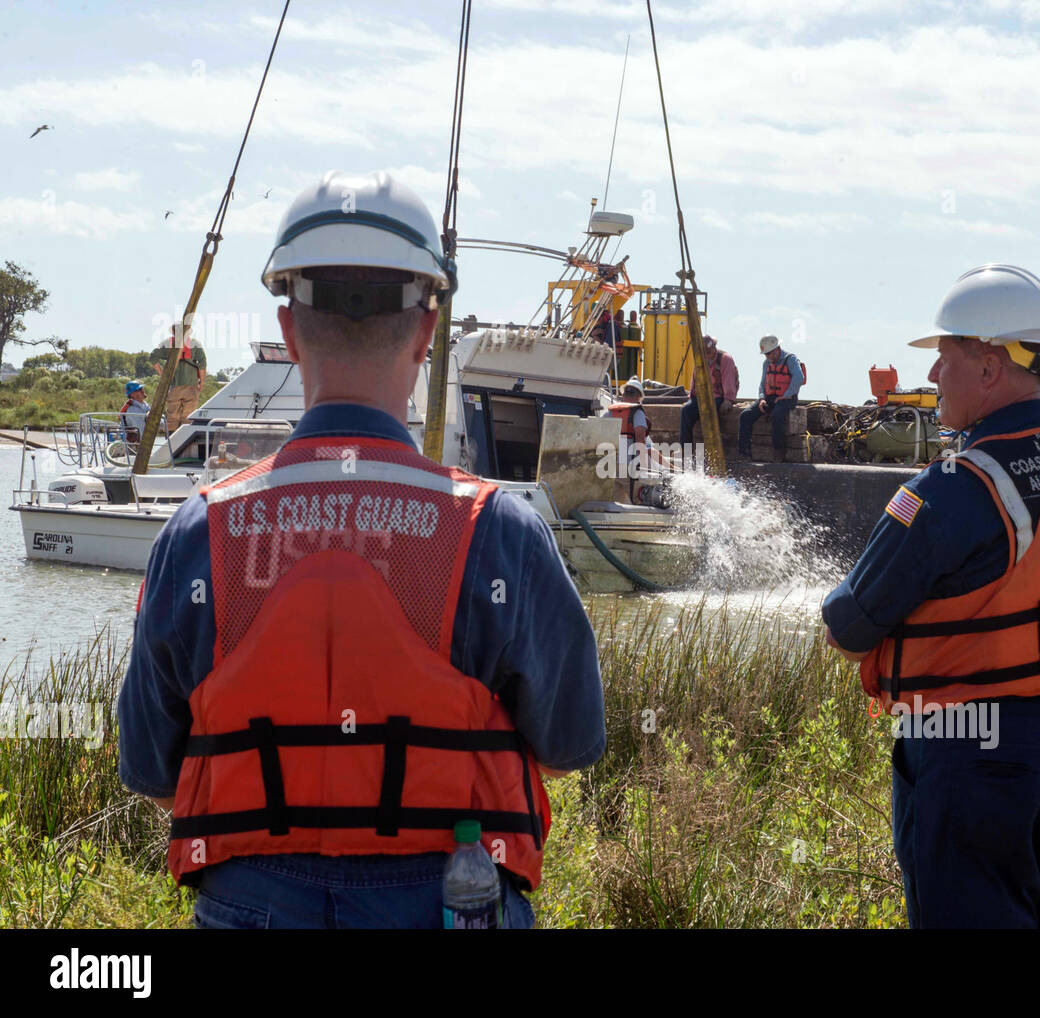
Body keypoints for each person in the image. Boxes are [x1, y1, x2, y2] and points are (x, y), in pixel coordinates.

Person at [117, 171, 606, 929]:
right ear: (425, 331)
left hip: (250, 903)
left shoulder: (196, 532)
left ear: (287, 330)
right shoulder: (500, 530)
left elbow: (151, 770)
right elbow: (569, 744)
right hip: (452, 895)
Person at [822, 264, 1040, 929]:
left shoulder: (946, 490)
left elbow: (849, 627)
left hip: (974, 760)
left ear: (990, 366)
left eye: (944, 357)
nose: (935, 377)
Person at [737, 334, 803, 462]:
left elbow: (799, 378)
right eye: (765, 354)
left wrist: (786, 395)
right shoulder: (766, 363)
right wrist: (762, 398)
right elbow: (762, 384)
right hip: (770, 397)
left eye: (768, 354)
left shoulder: (791, 359)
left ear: (777, 349)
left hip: (787, 398)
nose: (767, 357)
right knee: (745, 415)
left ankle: (779, 453)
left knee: (777, 415)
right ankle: (744, 453)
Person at [678, 334, 739, 447]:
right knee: (686, 411)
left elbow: (729, 380)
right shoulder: (700, 360)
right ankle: (685, 452)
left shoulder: (725, 359)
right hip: (702, 397)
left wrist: (728, 400)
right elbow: (695, 380)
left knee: (710, 411)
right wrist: (691, 398)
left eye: (711, 350)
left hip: (718, 397)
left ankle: (711, 452)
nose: (709, 353)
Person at [149, 323, 207, 433]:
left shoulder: (168, 343)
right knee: (188, 419)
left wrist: (162, 374)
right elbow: (202, 365)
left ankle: (171, 444)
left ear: (174, 332)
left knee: (172, 419)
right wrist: (201, 383)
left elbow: (153, 357)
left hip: (174, 387)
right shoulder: (195, 344)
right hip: (191, 387)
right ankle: (184, 443)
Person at [604, 376, 652, 498]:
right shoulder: (637, 412)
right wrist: (643, 466)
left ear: (623, 394)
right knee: (636, 499)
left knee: (615, 499)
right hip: (629, 466)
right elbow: (640, 439)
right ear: (638, 397)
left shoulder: (612, 411)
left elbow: (598, 430)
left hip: (611, 465)